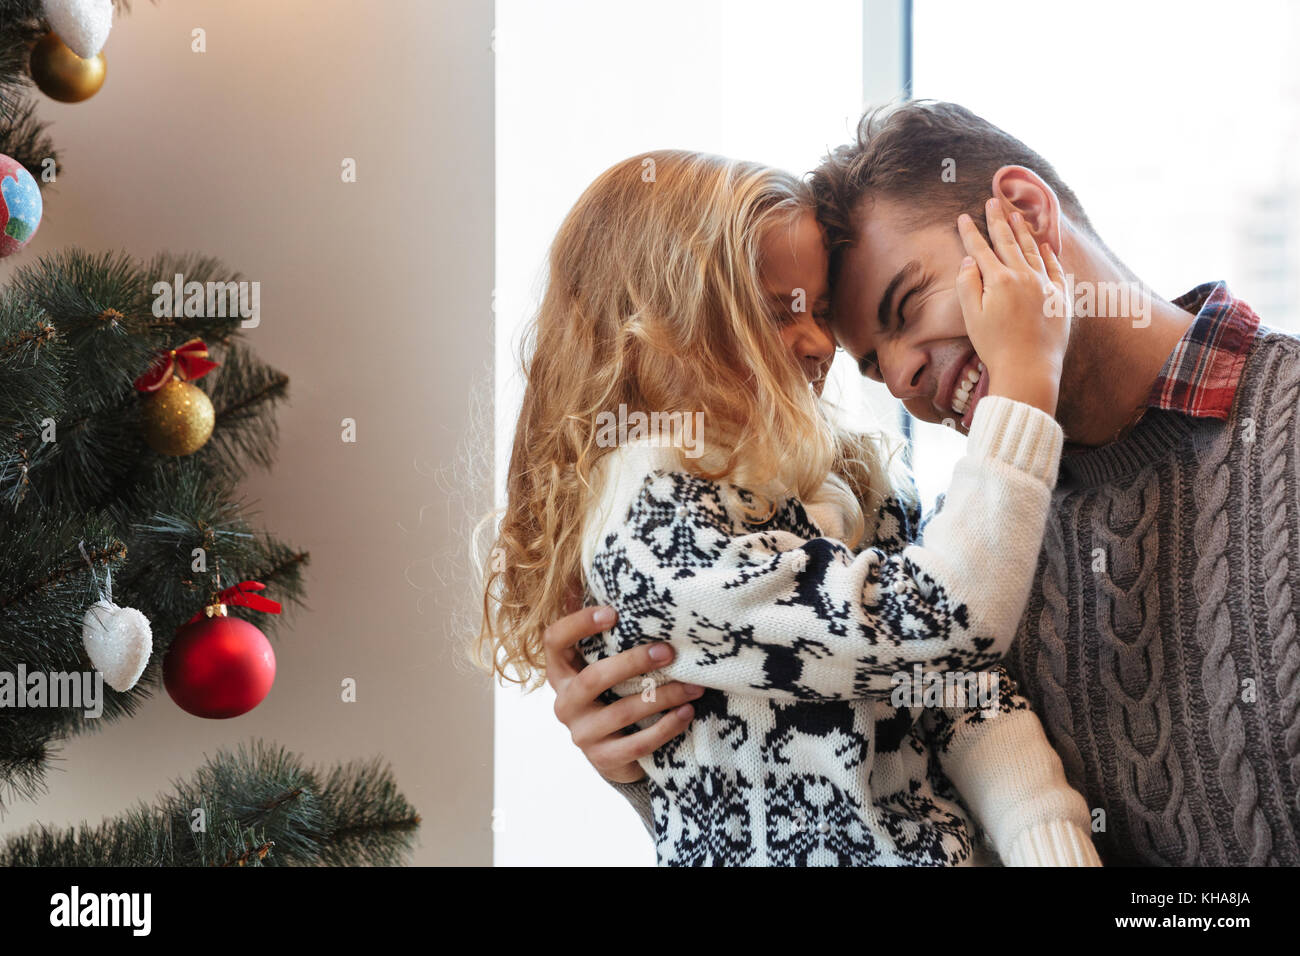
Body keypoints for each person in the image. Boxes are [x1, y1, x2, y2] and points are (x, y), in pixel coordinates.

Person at [551, 102, 1300, 866]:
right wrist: (666, 746)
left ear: (1025, 214)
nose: (903, 377)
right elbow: (887, 792)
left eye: (907, 306)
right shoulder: (971, 538)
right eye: (871, 364)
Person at [480, 148, 1101, 865]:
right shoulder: (655, 527)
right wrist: (1023, 384)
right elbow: (940, 622)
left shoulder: (858, 488)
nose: (818, 345)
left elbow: (959, 691)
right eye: (777, 313)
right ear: (657, 331)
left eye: (821, 312)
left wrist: (1051, 843)